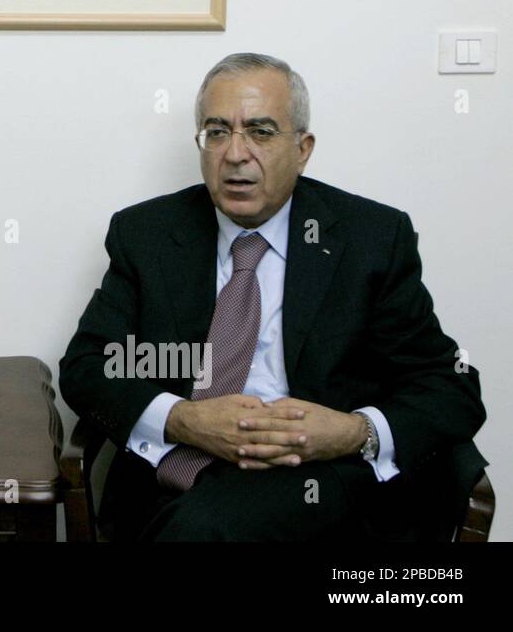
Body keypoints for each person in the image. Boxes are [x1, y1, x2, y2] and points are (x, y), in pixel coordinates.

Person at [59, 52, 486, 541]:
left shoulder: (371, 238)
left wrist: (352, 431)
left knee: (204, 531)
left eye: (260, 132)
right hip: (179, 471)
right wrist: (182, 420)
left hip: (317, 478)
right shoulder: (147, 234)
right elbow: (90, 366)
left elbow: (449, 385)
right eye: (217, 132)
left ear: (303, 149)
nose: (235, 154)